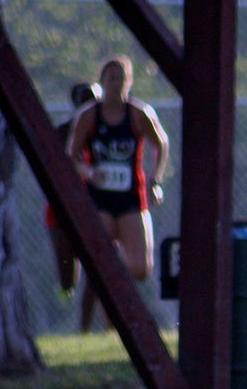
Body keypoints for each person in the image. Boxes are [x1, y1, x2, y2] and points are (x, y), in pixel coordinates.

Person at [68, 55, 170, 299]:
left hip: (132, 197)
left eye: (121, 78)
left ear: (129, 82)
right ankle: (111, 316)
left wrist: (156, 180)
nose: (116, 83)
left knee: (140, 269)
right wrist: (89, 172)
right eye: (111, 78)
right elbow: (71, 156)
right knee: (101, 263)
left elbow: (161, 144)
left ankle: (119, 282)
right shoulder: (89, 116)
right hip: (99, 197)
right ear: (102, 81)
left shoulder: (138, 113)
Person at [46, 81, 99, 298]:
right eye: (85, 102)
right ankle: (67, 298)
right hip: (63, 208)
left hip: (96, 206)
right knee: (67, 275)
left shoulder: (102, 132)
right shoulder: (63, 132)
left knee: (99, 270)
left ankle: (86, 328)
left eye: (94, 101)